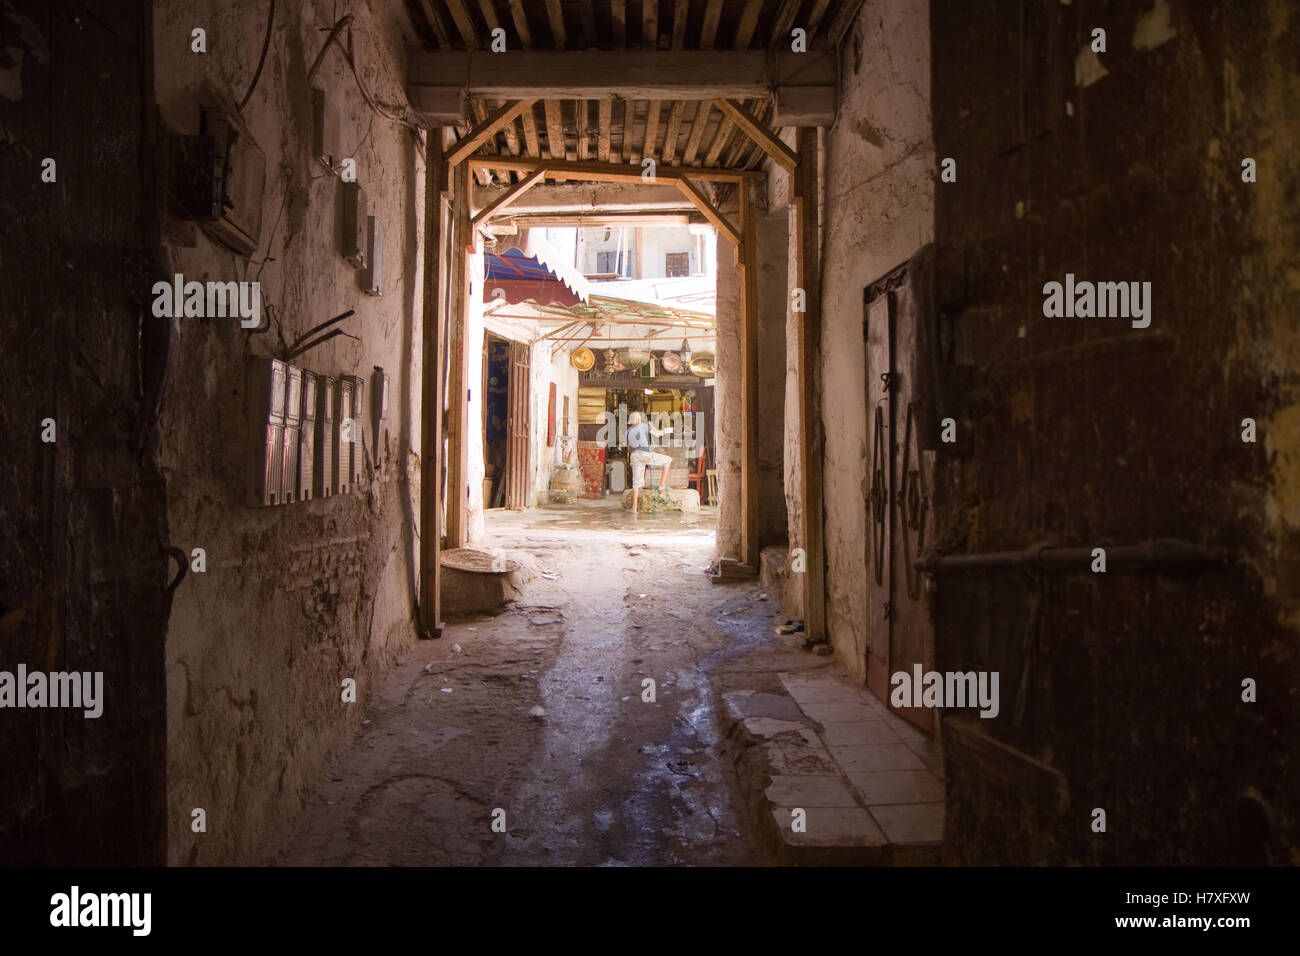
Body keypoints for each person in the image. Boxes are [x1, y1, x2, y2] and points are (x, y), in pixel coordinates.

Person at [626, 411, 672, 513]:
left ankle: (634, 508)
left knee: (636, 483)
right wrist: (666, 429)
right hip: (644, 454)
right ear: (638, 419)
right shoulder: (642, 426)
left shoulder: (628, 431)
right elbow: (658, 435)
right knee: (668, 460)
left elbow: (629, 448)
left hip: (634, 456)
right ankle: (661, 485)